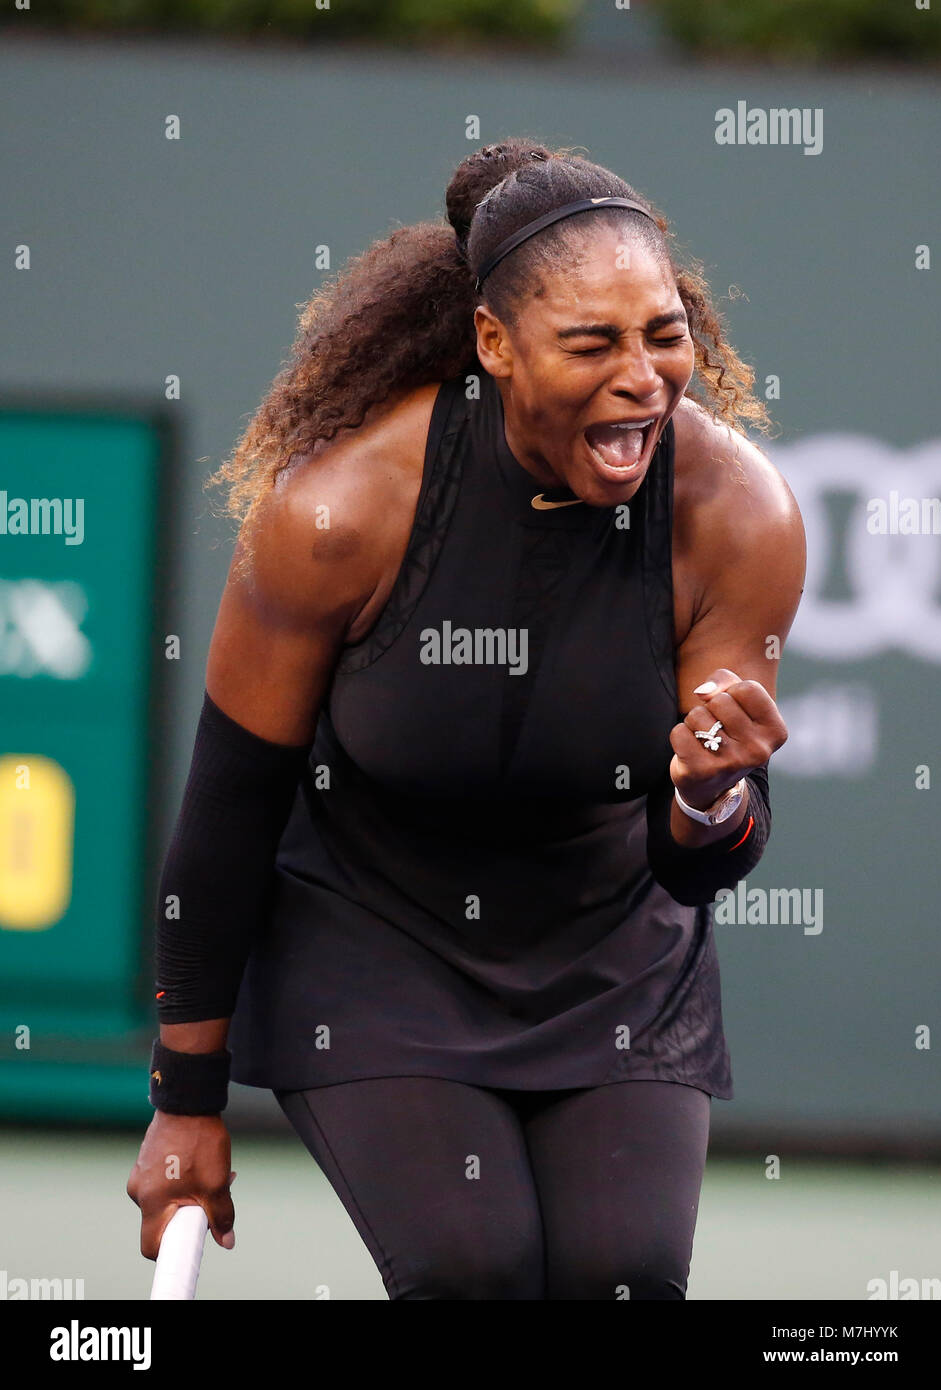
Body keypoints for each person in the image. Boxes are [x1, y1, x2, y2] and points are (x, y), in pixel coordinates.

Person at [127, 138, 805, 1300]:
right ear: (495, 345)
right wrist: (184, 1100)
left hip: (614, 959)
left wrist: (709, 797)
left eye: (664, 334)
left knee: (625, 1277)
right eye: (592, 344)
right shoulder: (338, 511)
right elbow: (228, 817)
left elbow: (701, 864)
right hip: (371, 945)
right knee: (471, 1270)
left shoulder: (738, 513)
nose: (642, 376)